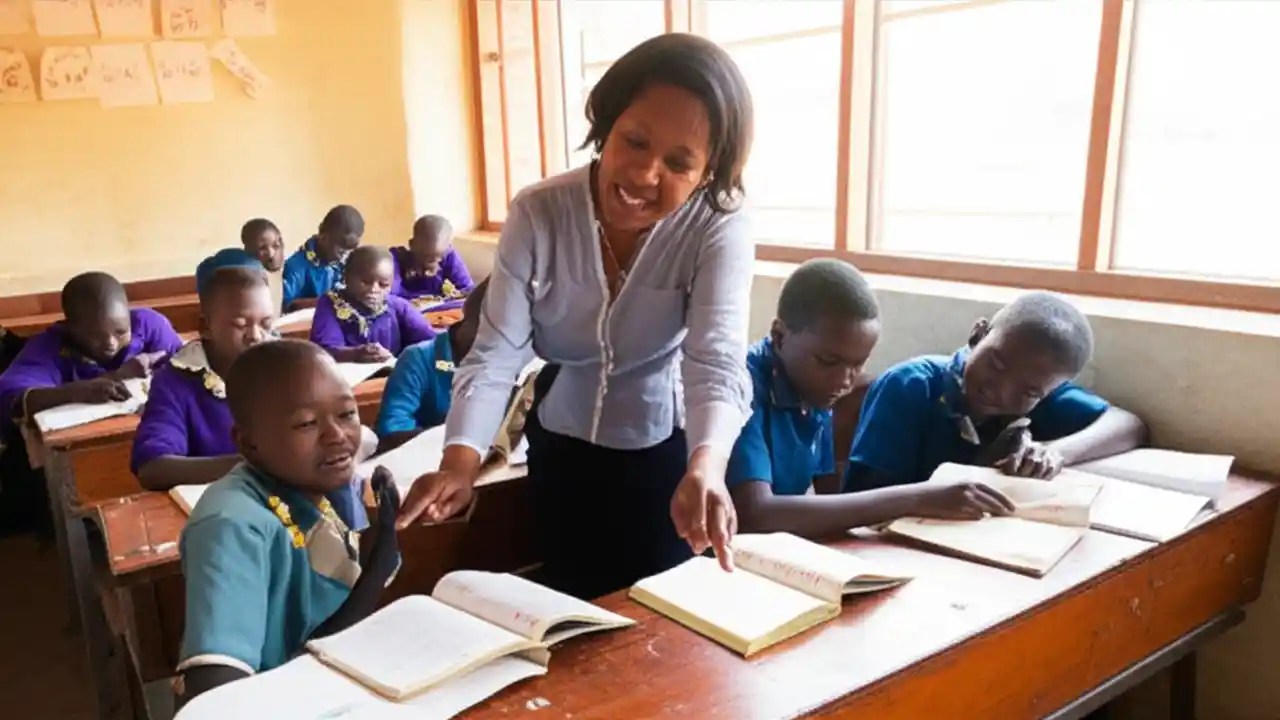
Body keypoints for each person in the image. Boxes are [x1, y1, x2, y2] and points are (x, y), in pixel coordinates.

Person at [397, 33, 756, 600]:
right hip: (560, 448)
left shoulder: (718, 226)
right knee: (569, 607)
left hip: (668, 457)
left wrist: (706, 468)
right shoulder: (539, 211)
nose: (644, 174)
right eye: (634, 142)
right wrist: (460, 462)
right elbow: (496, 351)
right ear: (607, 126)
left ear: (708, 172)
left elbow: (714, 361)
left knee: (660, 620)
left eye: (679, 163)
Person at [174, 340, 400, 708]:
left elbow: (326, 625)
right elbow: (216, 697)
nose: (337, 436)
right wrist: (377, 569)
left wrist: (379, 543)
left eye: (346, 414)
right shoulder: (232, 526)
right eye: (307, 423)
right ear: (249, 444)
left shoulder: (317, 486)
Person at [727, 260, 1015, 540]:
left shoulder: (814, 389)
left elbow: (831, 498)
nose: (845, 381)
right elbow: (755, 513)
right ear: (779, 337)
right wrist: (915, 497)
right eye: (829, 361)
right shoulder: (738, 386)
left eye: (858, 365)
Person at [847, 292, 1148, 492]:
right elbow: (863, 502)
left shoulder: (1035, 396)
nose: (1000, 391)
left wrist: (1055, 452)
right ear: (978, 334)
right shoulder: (911, 386)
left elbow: (1128, 424)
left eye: (1029, 391)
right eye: (997, 364)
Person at [0, 272, 183, 535]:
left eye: (120, 332)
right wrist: (77, 391)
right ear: (70, 328)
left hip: (153, 442)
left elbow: (189, 363)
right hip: (82, 461)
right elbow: (10, 396)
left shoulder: (149, 325)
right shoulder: (51, 346)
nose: (110, 343)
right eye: (94, 335)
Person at [131, 265, 275, 491]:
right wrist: (252, 467)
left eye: (266, 324)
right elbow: (152, 468)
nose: (256, 336)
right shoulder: (175, 381)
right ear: (205, 327)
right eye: (240, 325)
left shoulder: (285, 368)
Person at [374, 279, 488, 450]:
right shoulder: (419, 358)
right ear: (477, 322)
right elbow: (391, 432)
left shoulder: (510, 364)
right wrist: (454, 438)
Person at [309, 246, 437, 363]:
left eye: (383, 285)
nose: (374, 289)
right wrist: (355, 354)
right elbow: (324, 351)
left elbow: (432, 341)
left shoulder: (398, 306)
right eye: (365, 282)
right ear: (346, 277)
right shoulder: (331, 304)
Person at [282, 205, 364, 311]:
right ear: (323, 237)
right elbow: (286, 306)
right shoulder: (296, 267)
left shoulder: (344, 263)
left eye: (351, 250)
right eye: (341, 251)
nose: (345, 256)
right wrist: (327, 302)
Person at [390, 215, 474, 304]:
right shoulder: (395, 260)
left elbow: (468, 289)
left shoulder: (449, 256)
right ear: (412, 244)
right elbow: (389, 296)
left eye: (439, 257)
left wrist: (457, 295)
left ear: (448, 248)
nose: (431, 263)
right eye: (425, 256)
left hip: (438, 307)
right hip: (405, 308)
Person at [240, 218, 286, 312]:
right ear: (248, 250)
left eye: (276, 246)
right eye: (262, 248)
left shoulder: (278, 271)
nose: (271, 253)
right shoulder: (247, 279)